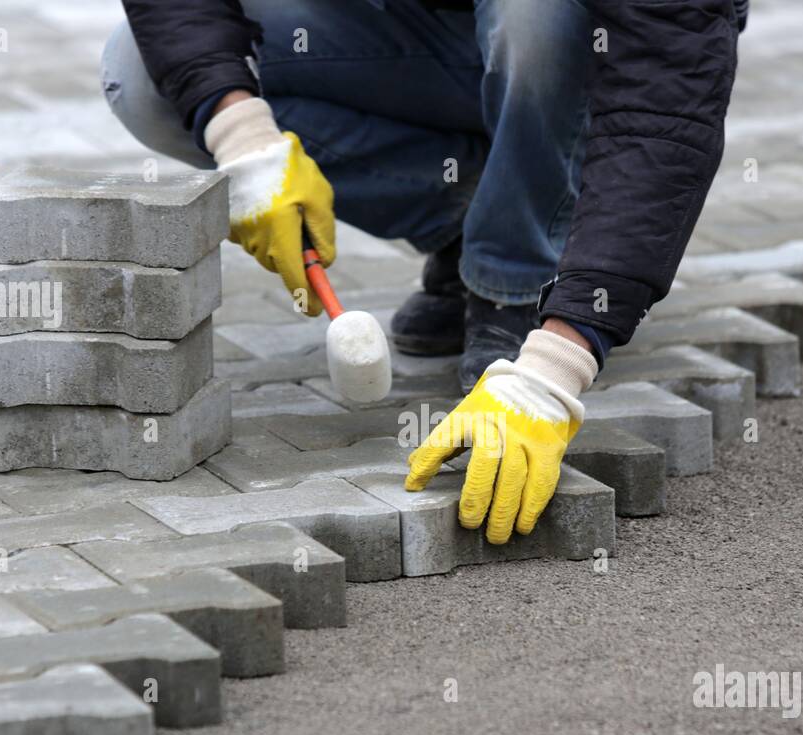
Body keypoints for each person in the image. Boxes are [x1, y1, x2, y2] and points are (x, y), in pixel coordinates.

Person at [103, 0, 744, 545]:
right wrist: (242, 137)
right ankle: (480, 216)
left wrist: (560, 364)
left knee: (539, 17)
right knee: (140, 71)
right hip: (418, 37)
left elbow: (667, 98)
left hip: (580, 43)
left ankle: (518, 278)